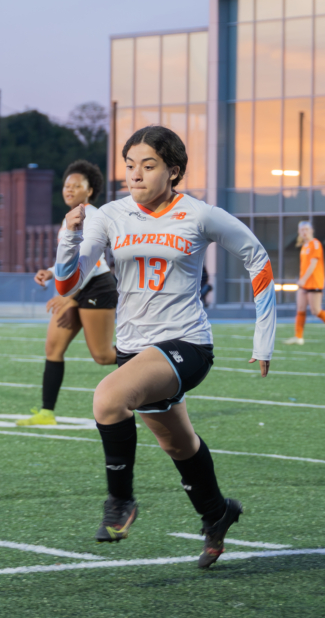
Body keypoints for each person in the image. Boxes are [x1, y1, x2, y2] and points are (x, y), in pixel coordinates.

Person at [56, 125, 275, 569]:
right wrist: (68, 235)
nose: (135, 175)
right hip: (134, 349)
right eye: (129, 165)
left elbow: (258, 257)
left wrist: (264, 335)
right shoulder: (109, 214)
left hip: (187, 343)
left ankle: (120, 502)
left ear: (173, 171)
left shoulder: (200, 214)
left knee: (107, 398)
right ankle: (217, 513)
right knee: (179, 445)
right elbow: (70, 281)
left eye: (148, 165)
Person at [19, 160, 117, 426]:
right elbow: (71, 260)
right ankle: (46, 413)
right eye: (66, 185)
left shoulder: (93, 215)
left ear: (91, 190)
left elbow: (92, 262)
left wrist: (70, 297)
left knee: (103, 355)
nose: (69, 189)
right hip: (76, 289)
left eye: (77, 185)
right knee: (53, 347)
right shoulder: (71, 217)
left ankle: (151, 359)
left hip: (96, 286)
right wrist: (52, 272)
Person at [282, 220, 325, 346]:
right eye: (302, 230)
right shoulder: (304, 246)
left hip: (314, 282)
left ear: (311, 231)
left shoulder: (315, 244)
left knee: (316, 311)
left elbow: (313, 264)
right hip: (304, 283)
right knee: (300, 309)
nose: (304, 232)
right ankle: (298, 337)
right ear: (298, 232)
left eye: (306, 229)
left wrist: (303, 279)